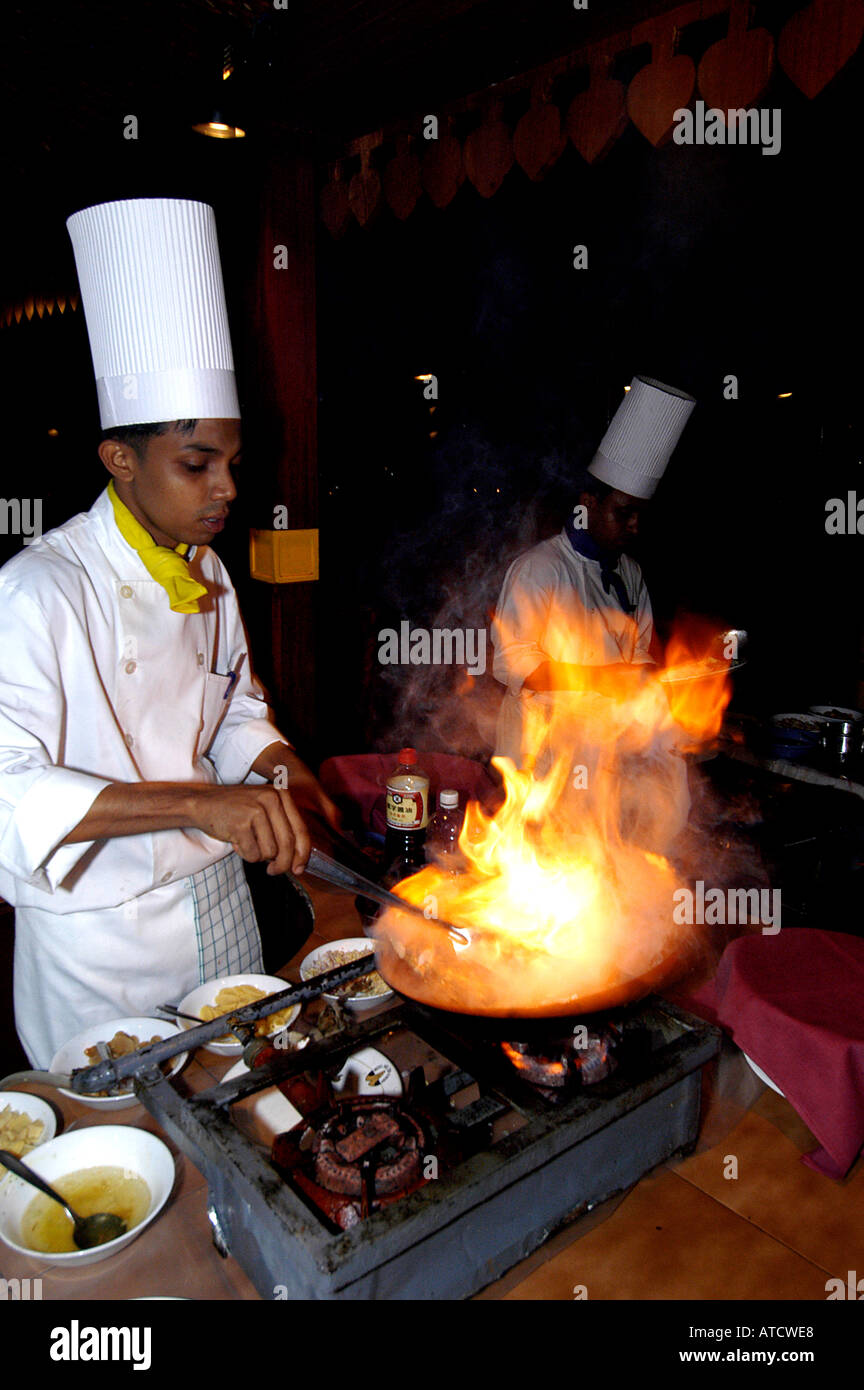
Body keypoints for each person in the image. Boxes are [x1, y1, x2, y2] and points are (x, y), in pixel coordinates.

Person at [0, 198, 337, 1067]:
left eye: (232, 461)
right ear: (120, 458)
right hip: (99, 948)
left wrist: (280, 771)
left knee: (244, 1108)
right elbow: (10, 795)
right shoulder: (40, 588)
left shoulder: (209, 569)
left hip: (218, 905)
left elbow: (232, 711)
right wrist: (201, 803)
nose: (226, 488)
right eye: (198, 465)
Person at [492, 376, 696, 784]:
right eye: (624, 513)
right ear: (589, 503)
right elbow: (514, 664)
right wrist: (603, 677)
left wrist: (670, 685)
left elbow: (639, 656)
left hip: (604, 751)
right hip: (539, 757)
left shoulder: (631, 573)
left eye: (641, 514)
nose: (635, 526)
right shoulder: (539, 568)